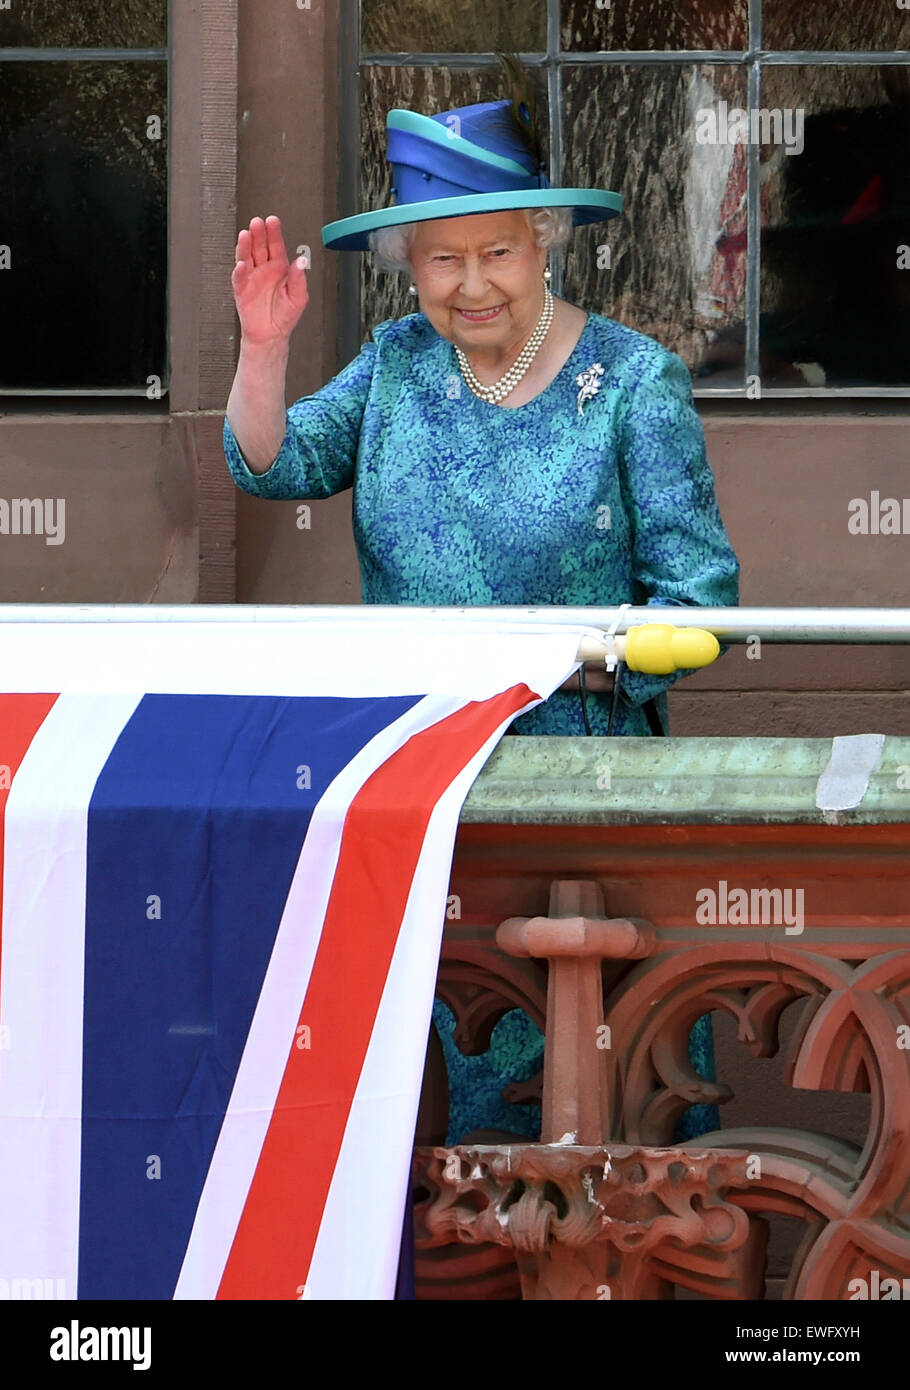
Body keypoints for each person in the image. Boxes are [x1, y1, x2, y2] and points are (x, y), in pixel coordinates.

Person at [223, 94, 740, 738]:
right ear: (408, 262)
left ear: (542, 240)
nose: (471, 285)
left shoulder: (633, 381)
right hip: (407, 763)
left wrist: (534, 670)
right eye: (443, 259)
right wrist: (264, 348)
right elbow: (276, 466)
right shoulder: (395, 362)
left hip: (573, 781)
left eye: (498, 252)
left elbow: (699, 603)